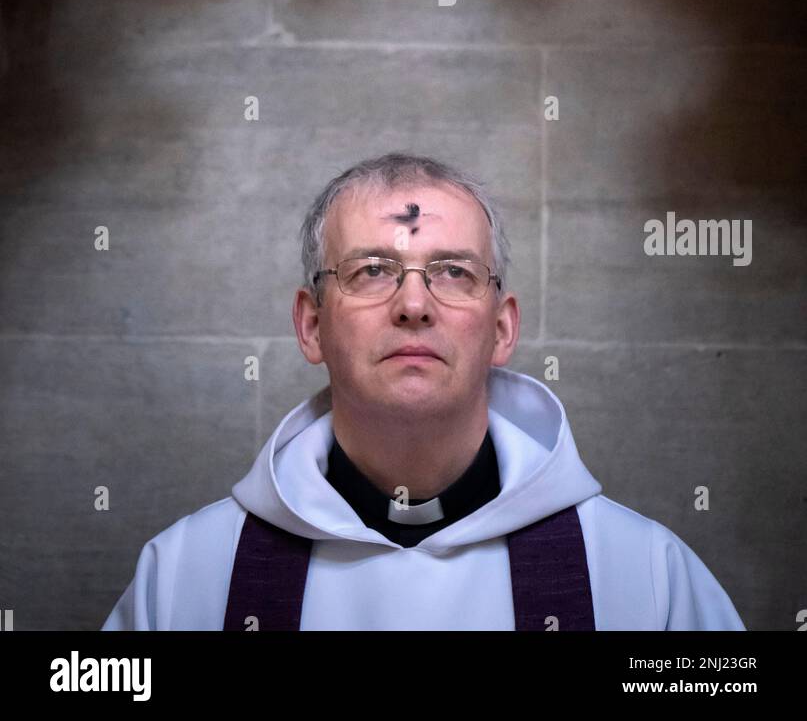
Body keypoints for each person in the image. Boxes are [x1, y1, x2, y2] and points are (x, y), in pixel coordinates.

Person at [101, 152, 746, 631]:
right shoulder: (185, 577)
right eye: (373, 271)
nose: (414, 303)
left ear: (501, 328)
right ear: (310, 325)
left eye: (454, 273)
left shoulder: (646, 578)